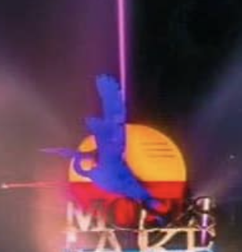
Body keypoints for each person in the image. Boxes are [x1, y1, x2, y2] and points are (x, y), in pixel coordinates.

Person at [43, 75, 167, 221]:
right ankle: (110, 91)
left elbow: (86, 162)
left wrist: (72, 155)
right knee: (115, 117)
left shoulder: (107, 178)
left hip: (113, 146)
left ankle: (109, 91)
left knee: (115, 117)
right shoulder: (113, 180)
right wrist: (73, 155)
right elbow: (86, 163)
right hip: (113, 145)